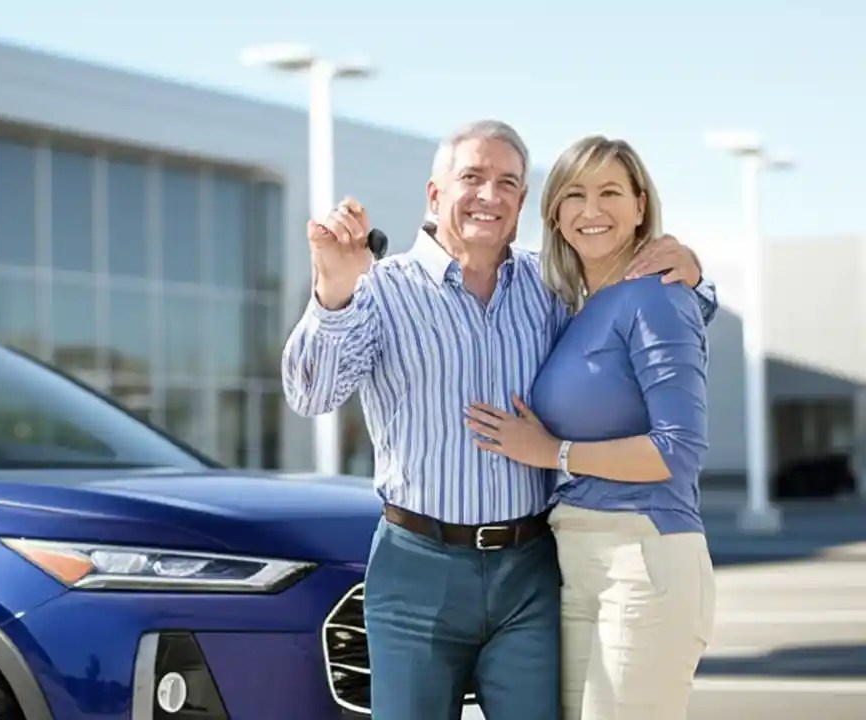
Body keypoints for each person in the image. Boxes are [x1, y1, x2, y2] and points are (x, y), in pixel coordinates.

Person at [280, 119, 717, 720]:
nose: (489, 195)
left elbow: (638, 324)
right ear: (435, 194)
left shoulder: (550, 287)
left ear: (523, 201)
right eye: (472, 178)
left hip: (530, 571)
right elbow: (310, 394)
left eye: (507, 182)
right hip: (418, 569)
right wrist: (333, 292)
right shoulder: (381, 290)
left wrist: (694, 276)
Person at [467, 135, 715, 720]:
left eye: (611, 193)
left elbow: (677, 450)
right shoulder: (575, 306)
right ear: (554, 212)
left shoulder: (658, 297)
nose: (592, 210)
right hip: (578, 562)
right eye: (574, 194)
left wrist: (553, 452)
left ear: (640, 206)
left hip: (642, 557)